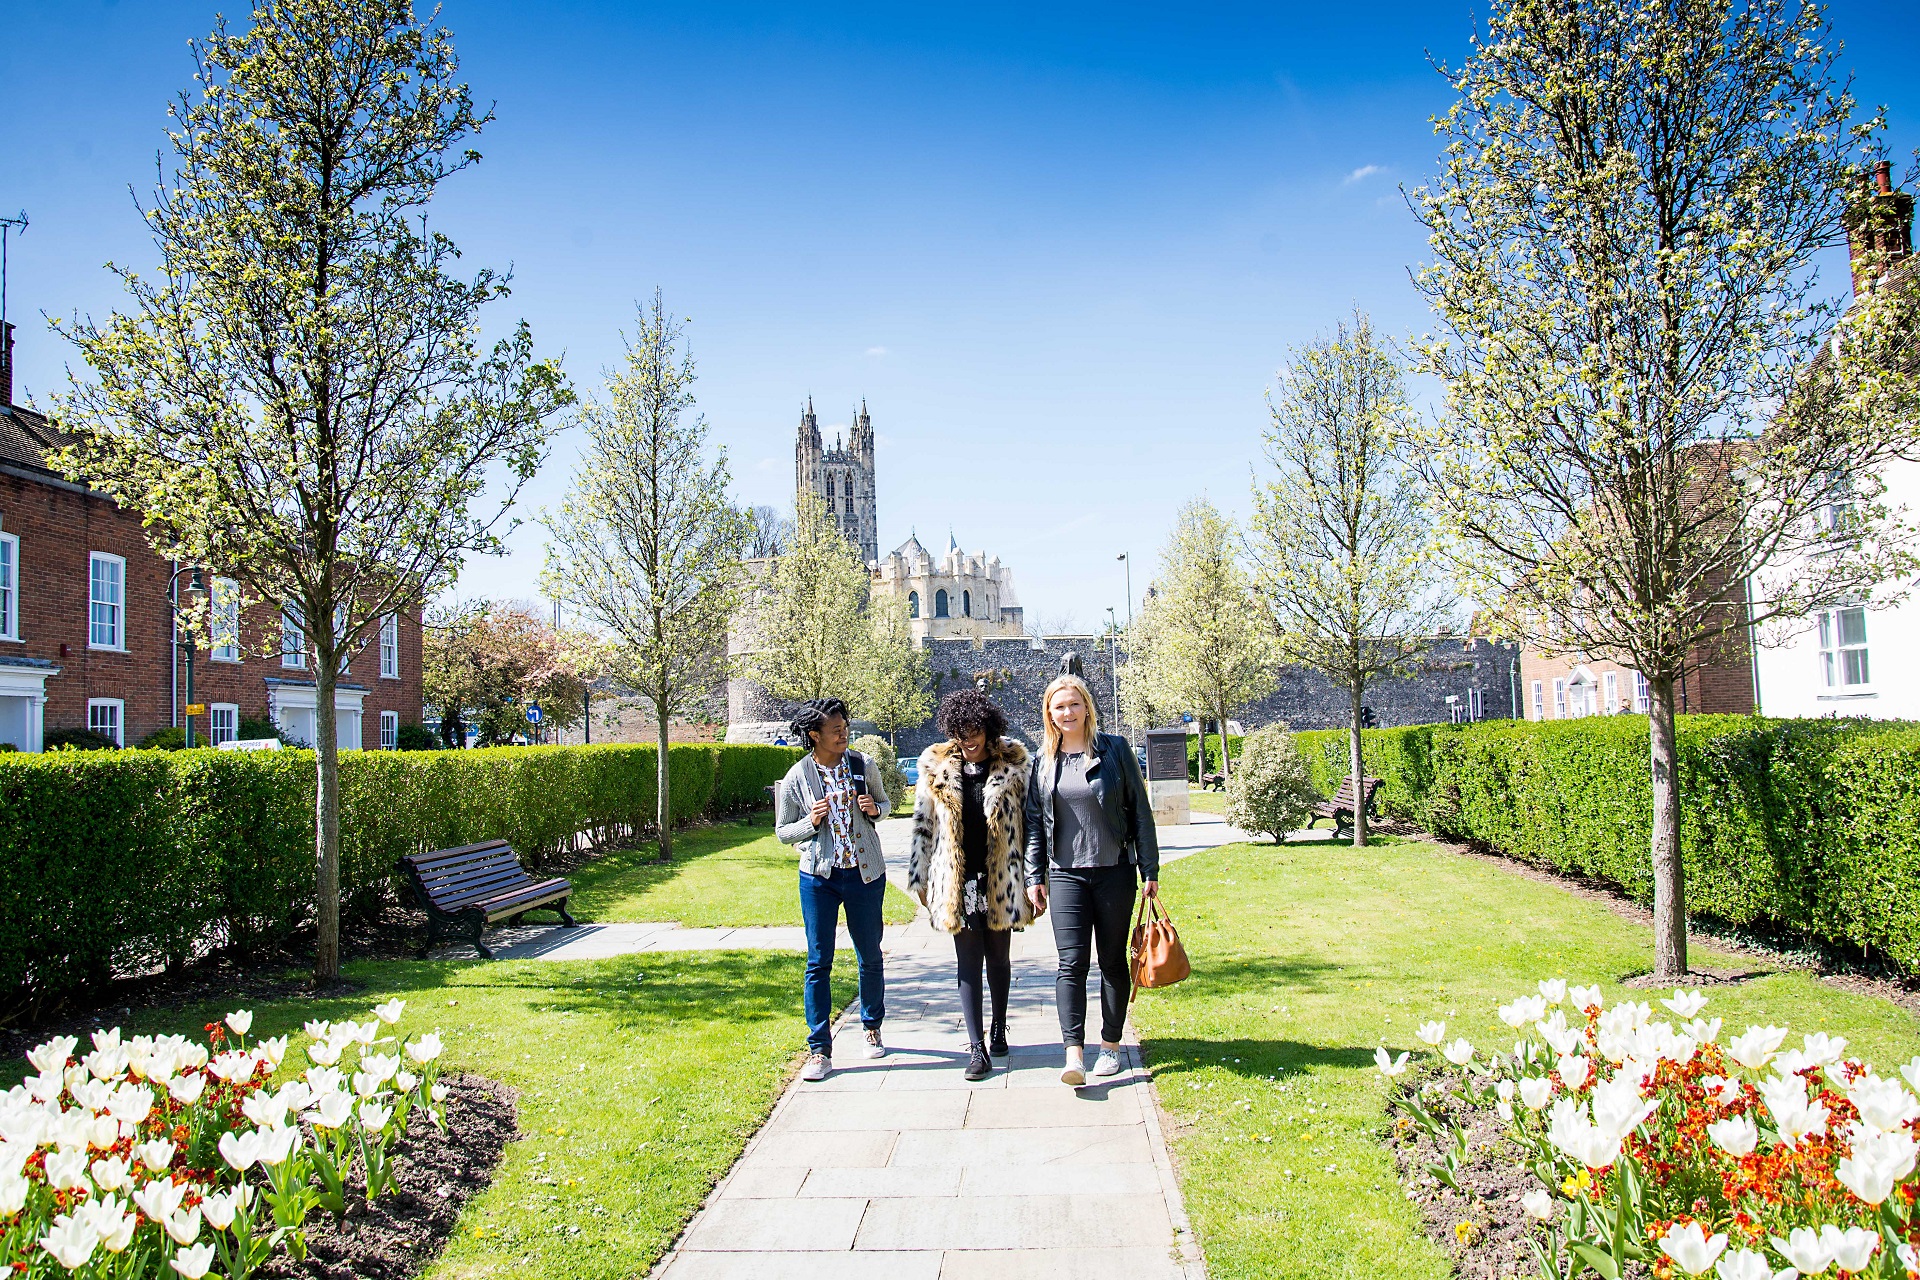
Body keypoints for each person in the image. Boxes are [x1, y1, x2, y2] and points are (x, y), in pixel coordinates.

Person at [1024, 673, 1160, 1086]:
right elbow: (1034, 823)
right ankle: (1074, 1054)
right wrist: (1035, 875)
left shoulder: (1115, 750)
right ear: (1049, 713)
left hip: (1114, 872)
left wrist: (1148, 870)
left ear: (1087, 707)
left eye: (1074, 704)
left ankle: (1112, 1045)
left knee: (1113, 962)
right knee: (1071, 964)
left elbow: (1140, 811)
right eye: (1059, 706)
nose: (1067, 712)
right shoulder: (1043, 761)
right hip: (1065, 876)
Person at [908, 689, 1033, 1081]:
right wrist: (919, 875)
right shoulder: (936, 767)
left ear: (989, 729)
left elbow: (1032, 826)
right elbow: (922, 825)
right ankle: (976, 1047)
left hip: (999, 877)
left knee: (998, 957)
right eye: (961, 732)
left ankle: (998, 1026)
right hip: (957, 880)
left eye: (975, 730)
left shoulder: (1015, 765)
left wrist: (1033, 876)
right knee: (967, 962)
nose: (969, 739)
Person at [774, 697, 891, 1081]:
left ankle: (872, 1027)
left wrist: (875, 808)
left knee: (869, 953)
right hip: (818, 878)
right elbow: (782, 831)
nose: (844, 735)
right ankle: (820, 1050)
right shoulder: (797, 777)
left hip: (864, 873)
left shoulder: (862, 765)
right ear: (815, 735)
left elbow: (886, 804)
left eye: (845, 728)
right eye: (836, 730)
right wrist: (810, 821)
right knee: (818, 961)